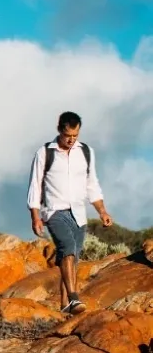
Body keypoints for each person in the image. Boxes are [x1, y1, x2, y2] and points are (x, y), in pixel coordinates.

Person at [26, 111, 112, 314]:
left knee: (73, 259)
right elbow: (35, 185)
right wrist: (35, 216)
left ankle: (65, 305)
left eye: (75, 136)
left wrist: (102, 211)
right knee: (68, 247)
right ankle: (74, 298)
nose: (71, 140)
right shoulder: (45, 152)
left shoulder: (86, 152)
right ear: (59, 130)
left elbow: (92, 185)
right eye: (68, 136)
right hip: (54, 211)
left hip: (79, 213)